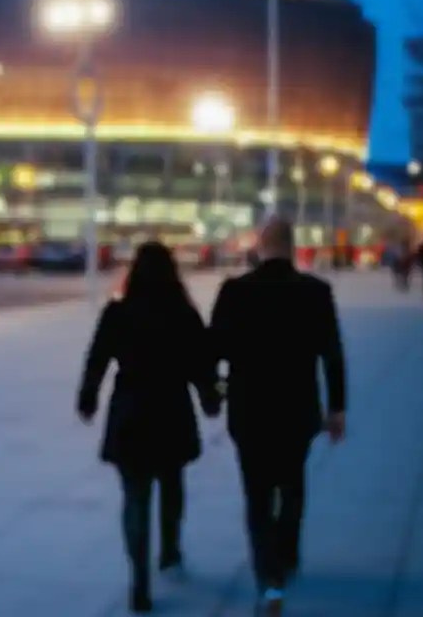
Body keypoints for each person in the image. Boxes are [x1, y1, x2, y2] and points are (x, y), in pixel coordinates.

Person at [208, 217, 346, 616]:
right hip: (297, 410)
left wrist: (214, 393)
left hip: (249, 410)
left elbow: (212, 350)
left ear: (260, 245)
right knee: (292, 483)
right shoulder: (316, 293)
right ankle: (286, 553)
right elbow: (332, 355)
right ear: (292, 246)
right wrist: (336, 408)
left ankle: (268, 577)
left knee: (256, 493)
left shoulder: (235, 292)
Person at [77, 241, 221, 614]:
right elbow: (202, 367)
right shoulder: (184, 315)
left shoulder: (117, 313)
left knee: (135, 496)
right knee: (172, 484)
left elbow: (97, 360)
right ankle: (170, 551)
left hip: (130, 412)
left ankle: (139, 579)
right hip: (171, 410)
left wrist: (88, 398)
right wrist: (211, 398)